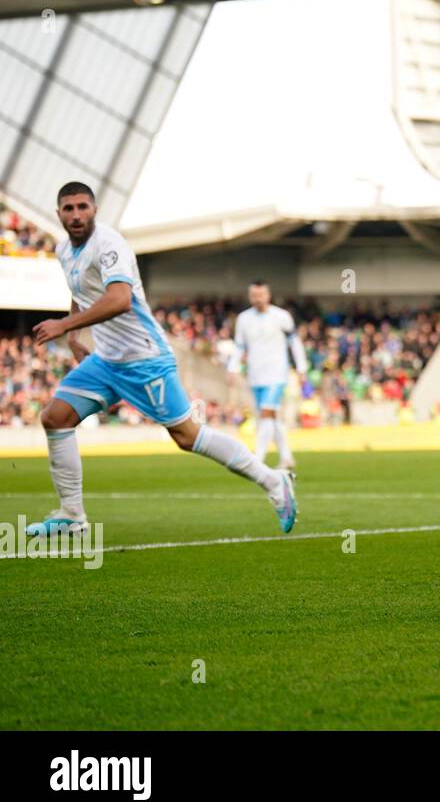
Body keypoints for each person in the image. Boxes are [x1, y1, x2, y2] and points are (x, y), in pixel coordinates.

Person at [27, 182, 297, 538]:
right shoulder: (65, 250)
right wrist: (76, 337)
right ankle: (72, 515)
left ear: (94, 210)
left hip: (144, 357)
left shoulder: (109, 244)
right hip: (106, 360)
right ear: (58, 213)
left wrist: (63, 325)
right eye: (68, 208)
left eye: (83, 207)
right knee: (55, 417)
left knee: (186, 436)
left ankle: (273, 480)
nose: (76, 215)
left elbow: (120, 299)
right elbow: (79, 292)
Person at [227, 280, 308, 468]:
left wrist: (301, 368)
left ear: (268, 295)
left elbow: (294, 343)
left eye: (260, 295)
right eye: (254, 295)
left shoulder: (281, 316)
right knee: (271, 417)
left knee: (266, 412)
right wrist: (232, 367)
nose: (257, 299)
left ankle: (258, 458)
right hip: (256, 374)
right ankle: (286, 456)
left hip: (277, 373)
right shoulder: (244, 319)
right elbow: (240, 346)